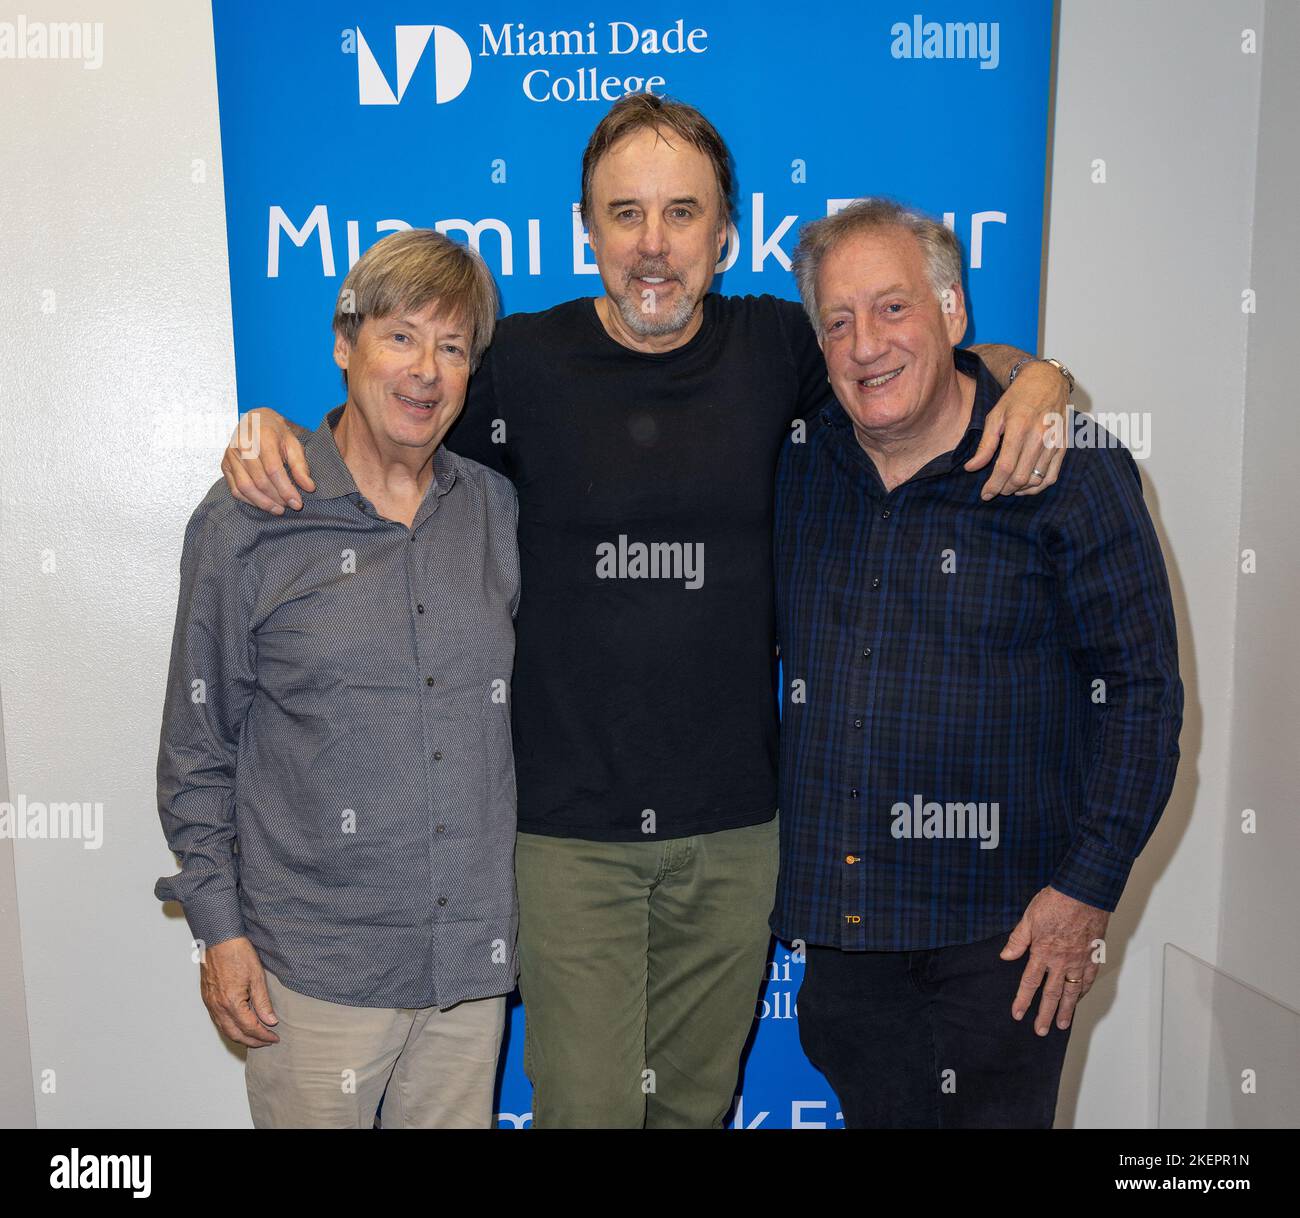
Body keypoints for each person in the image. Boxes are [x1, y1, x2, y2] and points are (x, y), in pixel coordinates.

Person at [220, 95, 1073, 1128]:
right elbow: (393, 422)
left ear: (725, 232)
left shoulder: (777, 347)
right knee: (586, 1112)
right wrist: (275, 431)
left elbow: (941, 366)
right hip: (565, 838)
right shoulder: (521, 365)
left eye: (681, 213)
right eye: (625, 214)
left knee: (693, 1111)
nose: (653, 245)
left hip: (736, 834)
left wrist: (1044, 383)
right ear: (586, 230)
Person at [773, 198, 1182, 1128]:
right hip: (851, 938)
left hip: (1006, 942)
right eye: (838, 321)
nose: (866, 342)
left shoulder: (1070, 470)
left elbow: (1146, 697)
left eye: (893, 308)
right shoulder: (799, 465)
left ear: (953, 313)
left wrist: (1086, 892)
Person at [156, 229, 519, 1128]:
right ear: (344, 343)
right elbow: (196, 748)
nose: (426, 372)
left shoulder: (495, 509)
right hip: (312, 973)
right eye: (400, 337)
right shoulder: (250, 520)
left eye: (451, 348)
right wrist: (220, 929)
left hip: (467, 969)